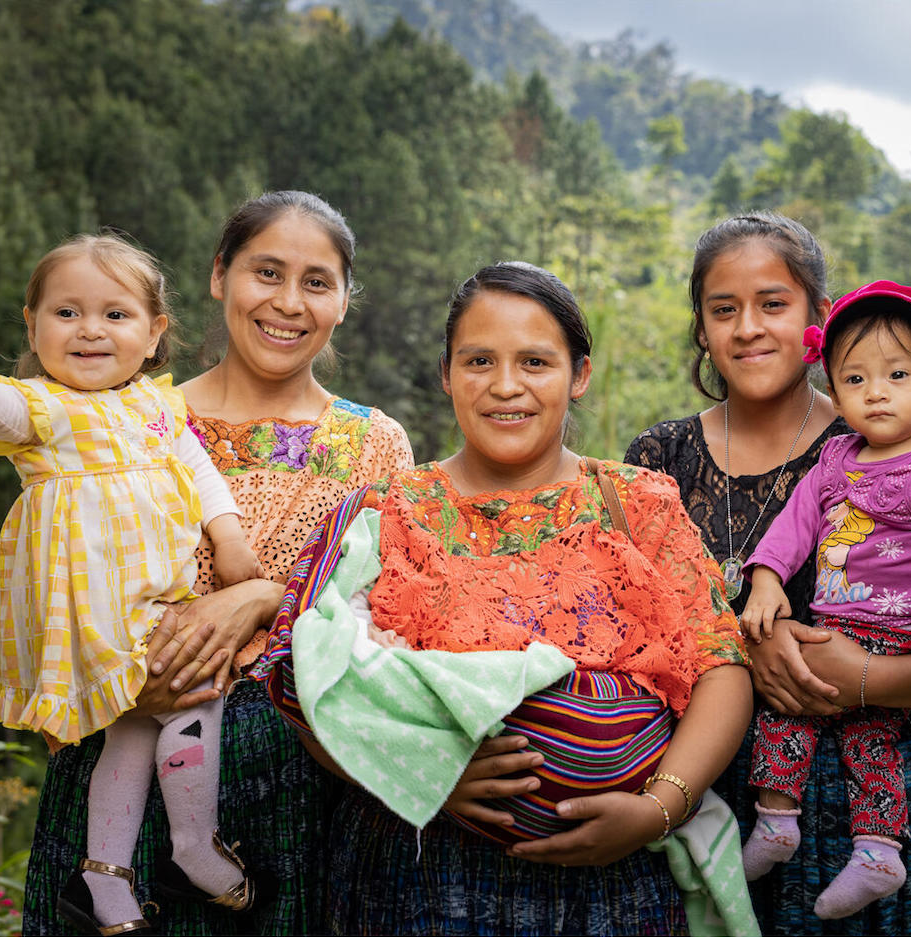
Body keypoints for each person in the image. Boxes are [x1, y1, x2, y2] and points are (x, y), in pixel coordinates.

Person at [266, 262, 755, 936]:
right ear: (446, 373)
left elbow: (721, 663)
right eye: (478, 360)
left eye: (534, 361)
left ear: (578, 374)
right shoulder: (386, 511)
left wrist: (658, 809)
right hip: (419, 879)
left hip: (617, 890)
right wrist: (417, 769)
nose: (504, 386)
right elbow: (313, 682)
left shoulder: (638, 502)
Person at [20, 191, 413, 936]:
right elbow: (51, 570)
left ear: (343, 303)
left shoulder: (375, 444)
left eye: (317, 282)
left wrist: (265, 596)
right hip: (118, 765)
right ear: (219, 276)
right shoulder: (125, 416)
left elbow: (386, 628)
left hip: (298, 786)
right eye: (266, 272)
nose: (288, 303)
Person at [625, 212, 911, 935]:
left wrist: (861, 677)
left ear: (817, 323)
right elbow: (637, 630)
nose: (748, 328)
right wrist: (747, 649)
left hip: (877, 794)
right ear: (702, 329)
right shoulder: (661, 455)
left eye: (773, 303)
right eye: (723, 309)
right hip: (710, 790)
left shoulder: (882, 445)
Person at [0, 234, 264, 934]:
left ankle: (105, 878)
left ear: (154, 334)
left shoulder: (156, 408)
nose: (90, 329)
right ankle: (193, 844)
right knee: (196, 693)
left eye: (116, 315)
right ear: (31, 325)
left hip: (152, 596)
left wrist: (231, 537)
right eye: (66, 313)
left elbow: (202, 471)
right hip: (94, 608)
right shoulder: (45, 408)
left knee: (129, 735)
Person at [737, 280, 911, 919]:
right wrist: (766, 577)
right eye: (854, 379)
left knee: (871, 740)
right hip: (833, 625)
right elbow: (794, 526)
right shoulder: (836, 460)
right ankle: (776, 819)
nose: (876, 391)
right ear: (835, 388)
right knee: (785, 716)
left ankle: (879, 851)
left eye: (898, 375)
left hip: (898, 631)